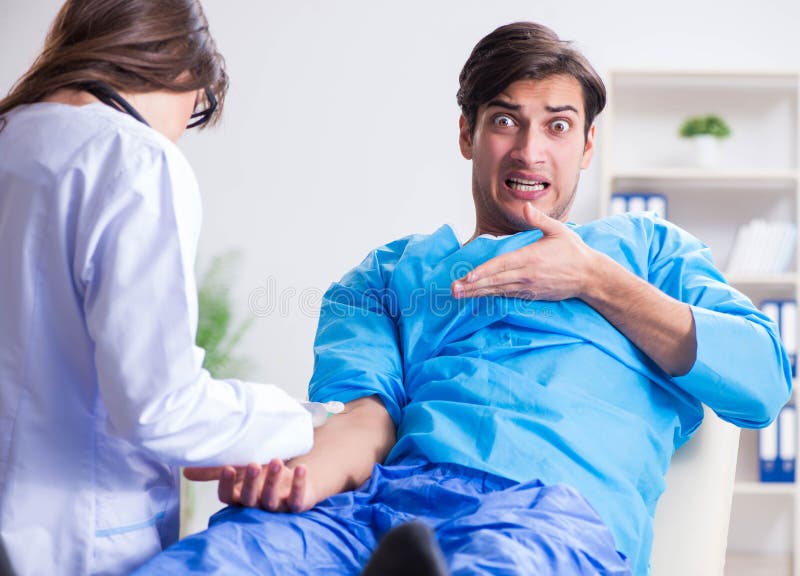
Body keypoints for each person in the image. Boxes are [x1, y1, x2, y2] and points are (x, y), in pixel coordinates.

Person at [134, 22, 791, 576]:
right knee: (234, 553)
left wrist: (594, 280)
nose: (531, 150)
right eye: (506, 120)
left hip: (547, 515)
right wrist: (300, 479)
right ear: (467, 135)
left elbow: (762, 381)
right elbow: (366, 420)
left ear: (588, 145)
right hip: (383, 506)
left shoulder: (648, 251)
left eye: (558, 126)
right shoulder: (388, 274)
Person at [0, 1, 316, 574]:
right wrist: (302, 420)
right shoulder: (136, 160)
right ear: (185, 75)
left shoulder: (12, 136)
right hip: (77, 545)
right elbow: (159, 409)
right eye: (200, 111)